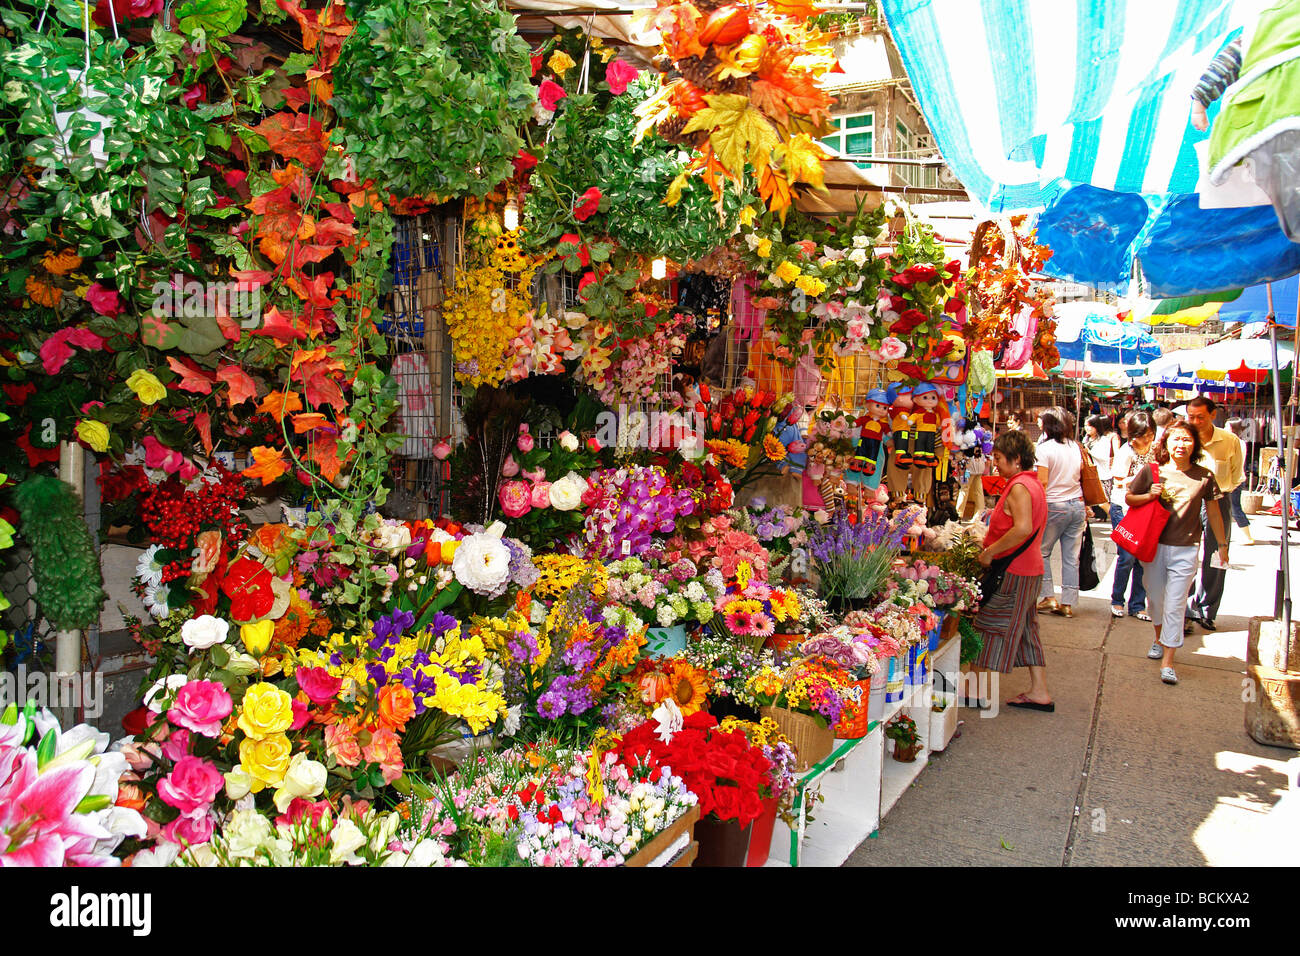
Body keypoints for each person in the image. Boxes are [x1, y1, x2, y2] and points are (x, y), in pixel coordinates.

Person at [1127, 420, 1229, 685]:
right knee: (1156, 600)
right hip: (1153, 546)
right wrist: (1150, 495)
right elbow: (1129, 498)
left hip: (1186, 548)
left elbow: (1214, 513)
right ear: (1166, 443)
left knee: (1175, 604)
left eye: (1186, 439)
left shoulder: (1204, 476)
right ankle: (1159, 639)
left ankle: (1168, 661)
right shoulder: (1153, 471)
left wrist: (1223, 545)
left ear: (1194, 444)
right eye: (1176, 439)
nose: (1181, 444)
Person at [973, 429, 1053, 711]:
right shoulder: (1032, 485)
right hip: (1029, 570)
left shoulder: (1020, 487)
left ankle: (977, 691)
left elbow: (1022, 529)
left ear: (1016, 459)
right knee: (1028, 630)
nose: (995, 464)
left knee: (990, 624)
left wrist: (989, 552)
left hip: (1015, 570)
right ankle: (1039, 690)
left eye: (998, 458)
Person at [1185, 395, 1245, 631]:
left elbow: (1236, 474)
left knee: (1218, 553)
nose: (1195, 421)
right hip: (1188, 501)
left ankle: (1207, 609)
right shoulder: (1183, 437)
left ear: (1212, 414)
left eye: (1200, 417)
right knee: (1185, 554)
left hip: (1219, 500)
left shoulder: (1229, 440)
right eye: (1191, 416)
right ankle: (1186, 610)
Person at [1034, 407, 1087, 618]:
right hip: (1077, 505)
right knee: (1071, 557)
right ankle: (1068, 603)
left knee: (1042, 552)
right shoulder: (1076, 446)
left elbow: (1043, 481)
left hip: (1055, 505)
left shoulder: (1045, 449)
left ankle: (1048, 597)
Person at [1109, 411, 1157, 620]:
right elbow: (1118, 480)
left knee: (1143, 559)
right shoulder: (1125, 452)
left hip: (1146, 508)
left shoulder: (1155, 450)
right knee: (1127, 557)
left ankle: (1137, 604)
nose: (1146, 440)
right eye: (1141, 436)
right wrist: (1143, 478)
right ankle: (1117, 599)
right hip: (1123, 506)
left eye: (1149, 435)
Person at [1226, 418, 1256, 545]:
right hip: (1235, 478)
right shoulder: (1240, 442)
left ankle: (1247, 536)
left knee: (1235, 508)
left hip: (1234, 479)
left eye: (1227, 426)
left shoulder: (1233, 442)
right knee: (1232, 507)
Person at [1084, 414, 1120, 521]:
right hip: (1089, 474)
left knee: (1102, 502)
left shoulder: (1103, 440)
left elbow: (1104, 458)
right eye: (1086, 425)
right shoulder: (1086, 439)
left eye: (1090, 426)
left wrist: (1089, 452)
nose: (1087, 428)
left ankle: (1118, 520)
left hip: (1101, 475)